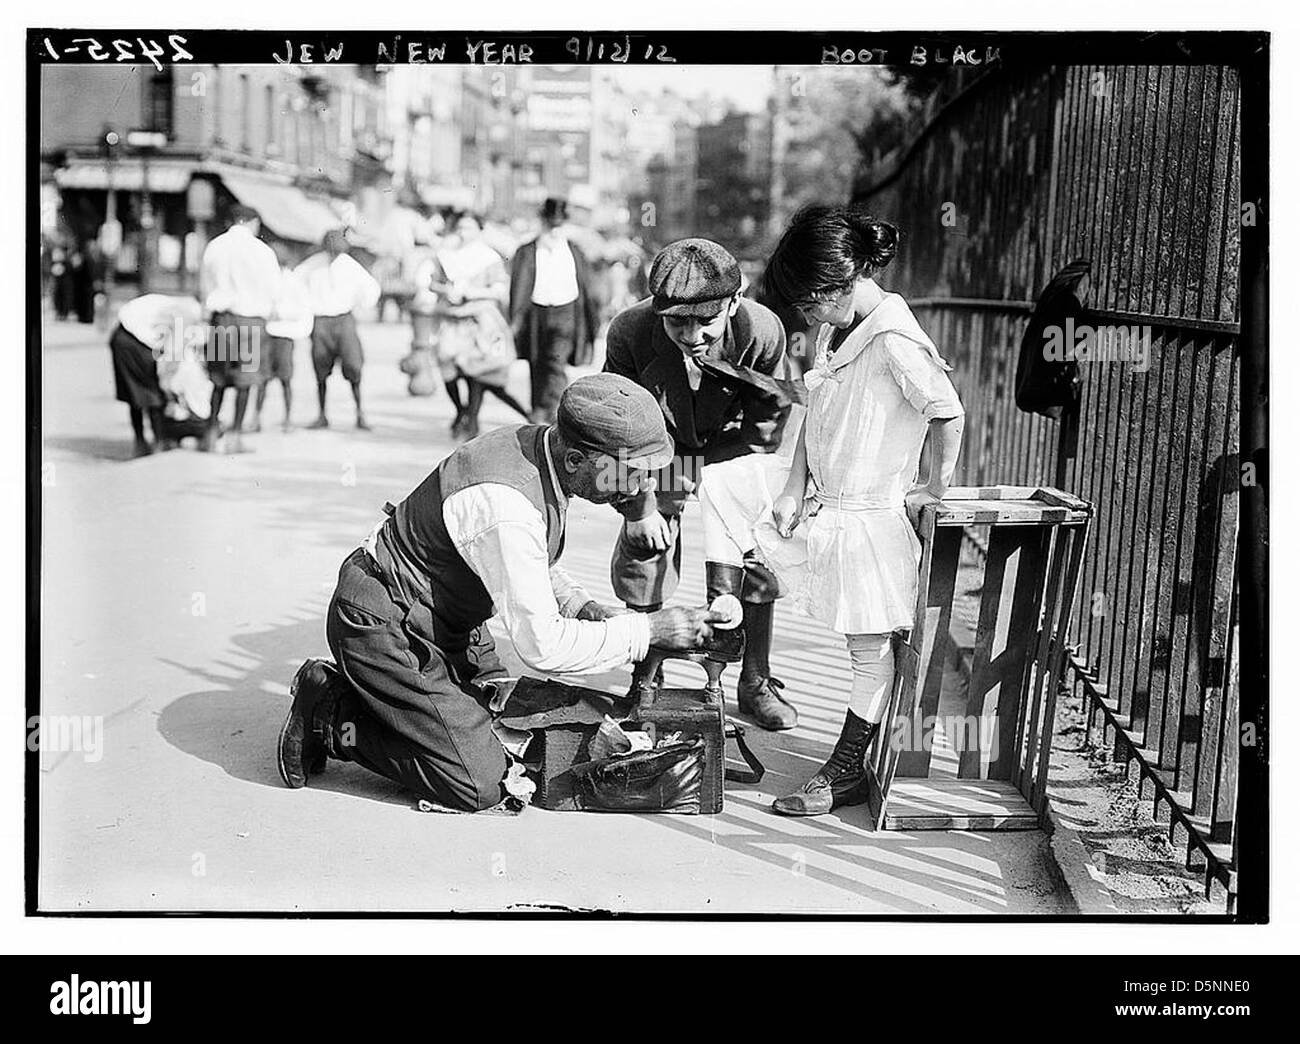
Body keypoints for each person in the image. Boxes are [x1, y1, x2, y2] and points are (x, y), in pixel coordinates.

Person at [277, 373, 726, 812]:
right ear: (576, 461)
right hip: (385, 626)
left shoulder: (541, 449)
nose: (644, 486)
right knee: (478, 781)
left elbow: (530, 561)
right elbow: (542, 647)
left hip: (440, 621)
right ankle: (332, 716)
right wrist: (646, 631)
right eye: (633, 472)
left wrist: (582, 607)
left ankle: (402, 708)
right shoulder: (506, 504)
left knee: (512, 722)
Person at [698, 204, 966, 817]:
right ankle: (729, 624)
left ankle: (846, 767)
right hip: (827, 503)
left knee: (869, 651)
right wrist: (792, 484)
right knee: (722, 485)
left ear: (840, 284)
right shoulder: (834, 330)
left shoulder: (895, 339)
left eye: (810, 302)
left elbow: (946, 410)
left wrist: (933, 487)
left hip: (870, 515)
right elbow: (814, 416)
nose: (805, 315)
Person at [602, 238, 801, 731]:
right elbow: (618, 425)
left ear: (734, 302)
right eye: (676, 323)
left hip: (733, 446)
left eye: (704, 323)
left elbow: (769, 422)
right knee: (645, 546)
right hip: (661, 447)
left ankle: (754, 679)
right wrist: (641, 507)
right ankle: (646, 677)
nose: (691, 336)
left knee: (751, 554)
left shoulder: (762, 331)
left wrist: (743, 496)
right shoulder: (629, 331)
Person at [427, 213, 530, 440]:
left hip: (480, 319)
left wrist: (473, 292)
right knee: (447, 370)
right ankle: (460, 410)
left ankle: (471, 420)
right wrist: (447, 291)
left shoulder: (488, 258)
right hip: (452, 319)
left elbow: (500, 289)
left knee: (477, 371)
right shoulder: (447, 256)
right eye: (461, 228)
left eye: (470, 228)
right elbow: (432, 283)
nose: (464, 233)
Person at [509, 197, 601, 424]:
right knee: (536, 360)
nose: (554, 230)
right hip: (535, 314)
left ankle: (554, 410)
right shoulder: (527, 251)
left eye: (558, 225)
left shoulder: (574, 252)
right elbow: (517, 288)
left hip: (566, 313)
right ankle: (538, 407)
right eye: (550, 225)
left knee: (555, 362)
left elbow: (588, 288)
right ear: (542, 222)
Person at [200, 205, 281, 454]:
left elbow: (205, 285)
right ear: (251, 222)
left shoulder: (214, 246)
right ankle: (235, 436)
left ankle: (211, 434)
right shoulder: (263, 251)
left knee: (218, 379)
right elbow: (274, 288)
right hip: (250, 324)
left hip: (221, 319)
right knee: (245, 380)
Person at [297, 229, 381, 431]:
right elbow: (295, 283)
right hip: (321, 322)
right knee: (320, 367)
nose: (334, 254)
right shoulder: (313, 265)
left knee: (353, 366)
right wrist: (304, 310)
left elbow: (371, 289)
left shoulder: (350, 266)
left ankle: (360, 413)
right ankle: (322, 414)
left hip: (344, 320)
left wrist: (362, 305)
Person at [108, 293, 203, 455]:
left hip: (120, 335)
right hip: (135, 342)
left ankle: (141, 442)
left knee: (134, 395)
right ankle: (159, 443)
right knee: (153, 391)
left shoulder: (178, 304)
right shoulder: (188, 315)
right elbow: (171, 357)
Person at [252, 256, 311, 433]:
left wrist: (280, 312)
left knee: (285, 379)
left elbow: (302, 309)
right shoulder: (265, 280)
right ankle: (256, 418)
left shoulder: (293, 282)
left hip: (284, 335)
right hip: (267, 334)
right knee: (262, 379)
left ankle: (287, 418)